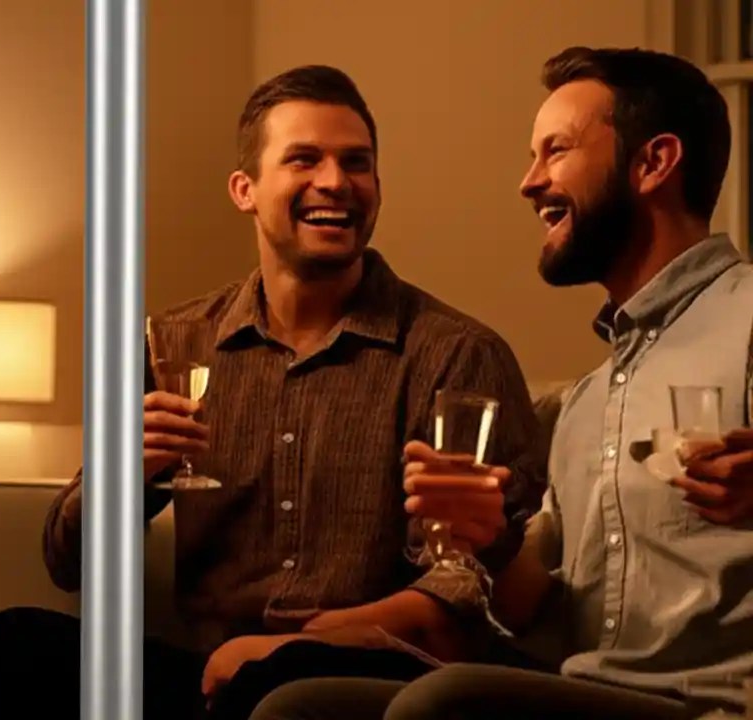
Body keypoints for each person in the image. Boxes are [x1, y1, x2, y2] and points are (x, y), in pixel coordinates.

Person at [0, 64, 548, 720]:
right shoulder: (177, 343)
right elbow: (67, 562)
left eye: (357, 163)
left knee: (282, 682)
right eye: (304, 159)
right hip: (211, 671)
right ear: (245, 189)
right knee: (5, 645)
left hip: (363, 676)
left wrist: (284, 646)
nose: (335, 182)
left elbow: (467, 590)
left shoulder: (456, 354)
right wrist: (124, 475)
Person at [249, 46, 753, 720]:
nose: (529, 181)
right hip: (590, 696)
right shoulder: (589, 399)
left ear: (653, 163)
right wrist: (490, 538)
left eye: (556, 150)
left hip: (714, 707)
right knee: (299, 705)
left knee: (444, 702)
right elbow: (543, 614)